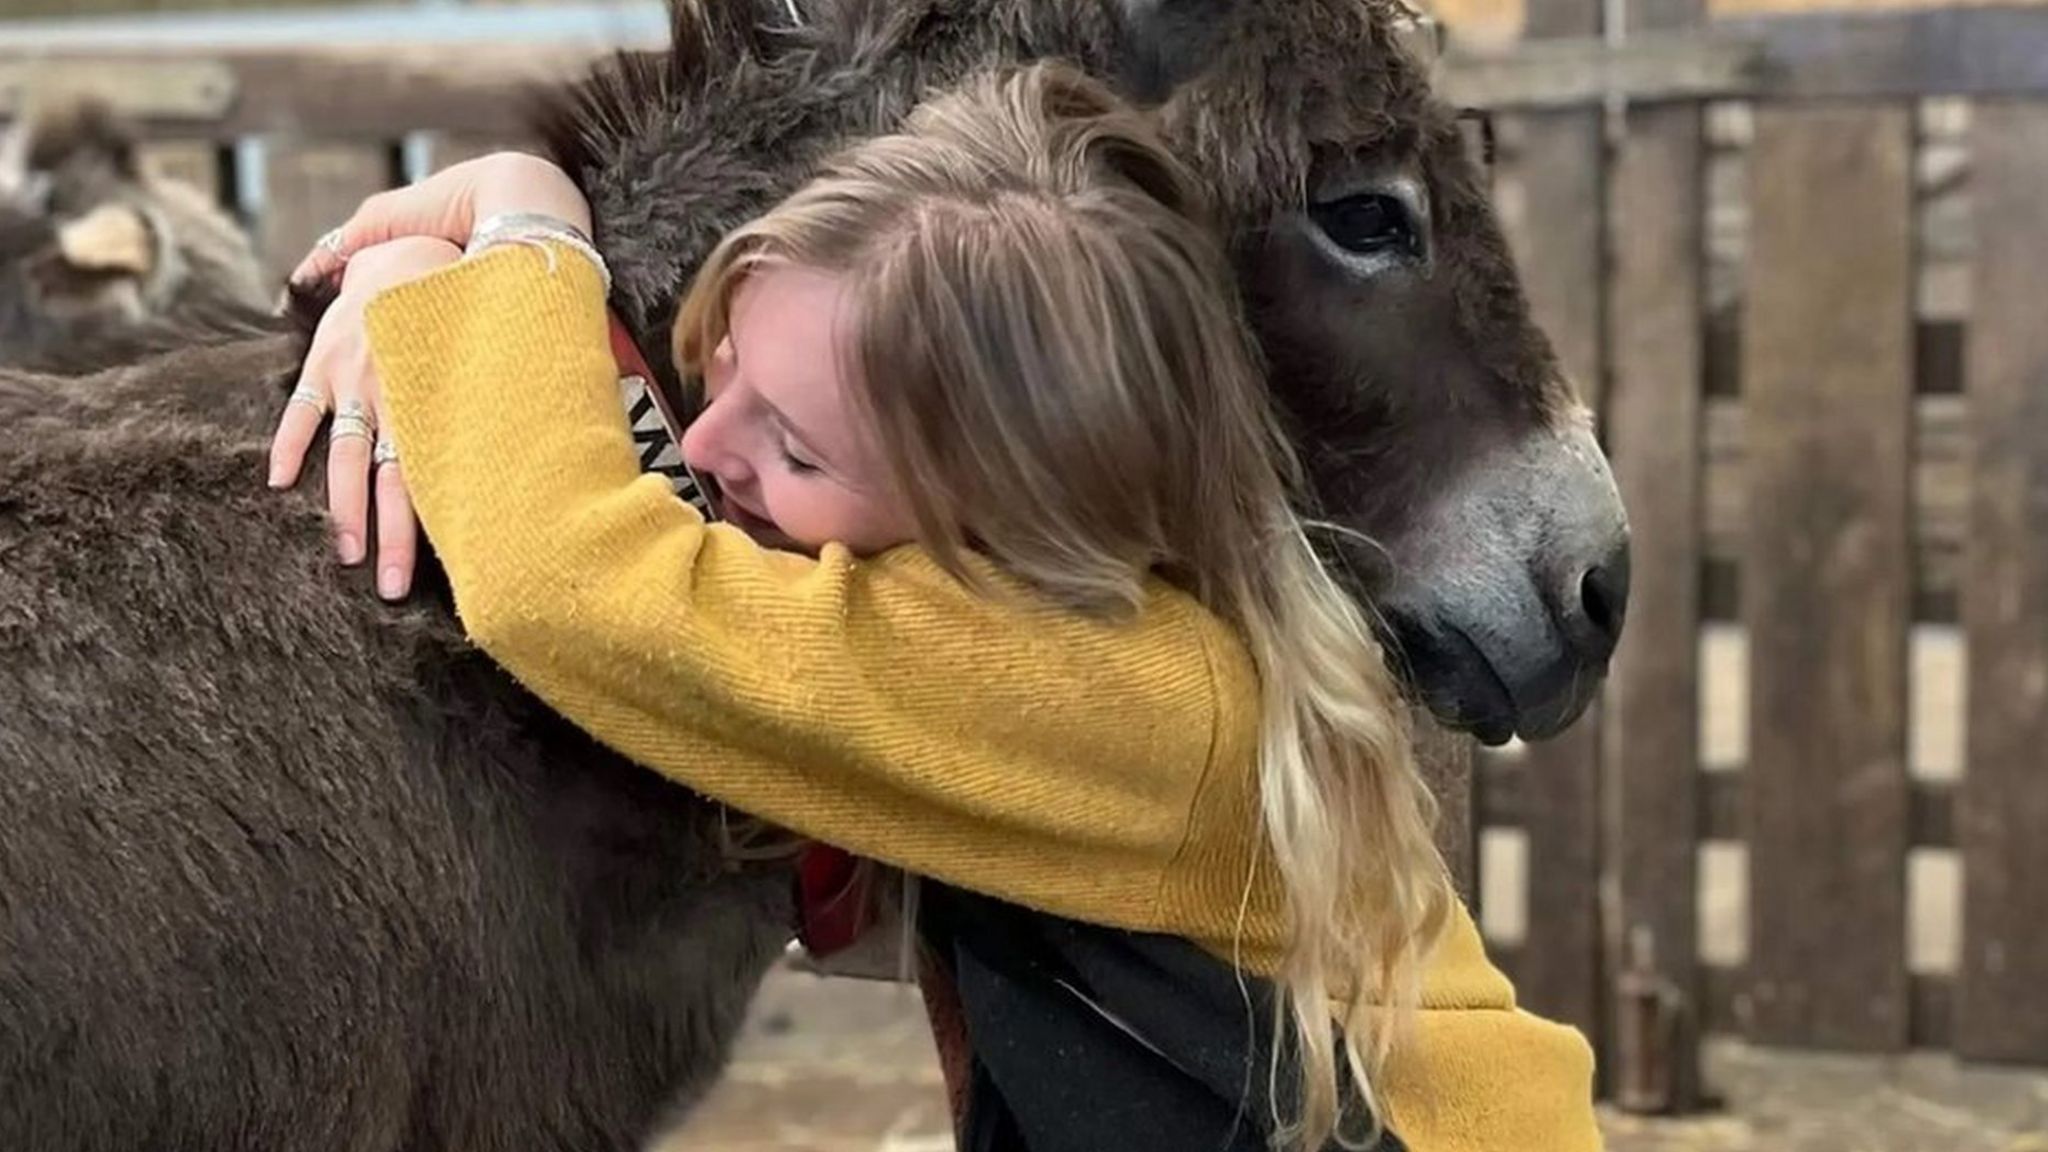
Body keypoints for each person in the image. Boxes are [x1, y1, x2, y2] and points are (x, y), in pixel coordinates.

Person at [272, 61, 1600, 1152]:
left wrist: (520, 211)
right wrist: (432, 281)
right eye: (721, 364)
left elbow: (574, 585)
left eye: (798, 452)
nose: (716, 443)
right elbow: (684, 503)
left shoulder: (1094, 688)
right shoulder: (1112, 594)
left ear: (1001, 515)